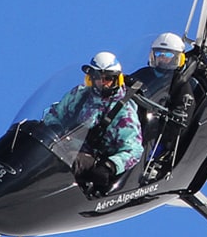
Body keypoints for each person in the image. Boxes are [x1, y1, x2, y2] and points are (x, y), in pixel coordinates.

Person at [42, 51, 143, 192]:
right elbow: (54, 112)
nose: (102, 83)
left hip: (93, 159)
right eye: (97, 78)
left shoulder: (124, 113)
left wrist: (110, 166)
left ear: (117, 80)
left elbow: (134, 150)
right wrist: (54, 127)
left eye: (107, 79)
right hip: (62, 146)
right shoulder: (80, 94)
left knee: (68, 161)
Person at [129, 33, 196, 181]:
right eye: (159, 54)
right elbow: (127, 88)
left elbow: (185, 109)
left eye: (168, 55)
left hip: (156, 130)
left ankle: (137, 173)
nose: (163, 58)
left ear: (178, 58)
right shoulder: (144, 74)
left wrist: (177, 115)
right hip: (134, 120)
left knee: (144, 146)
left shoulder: (180, 84)